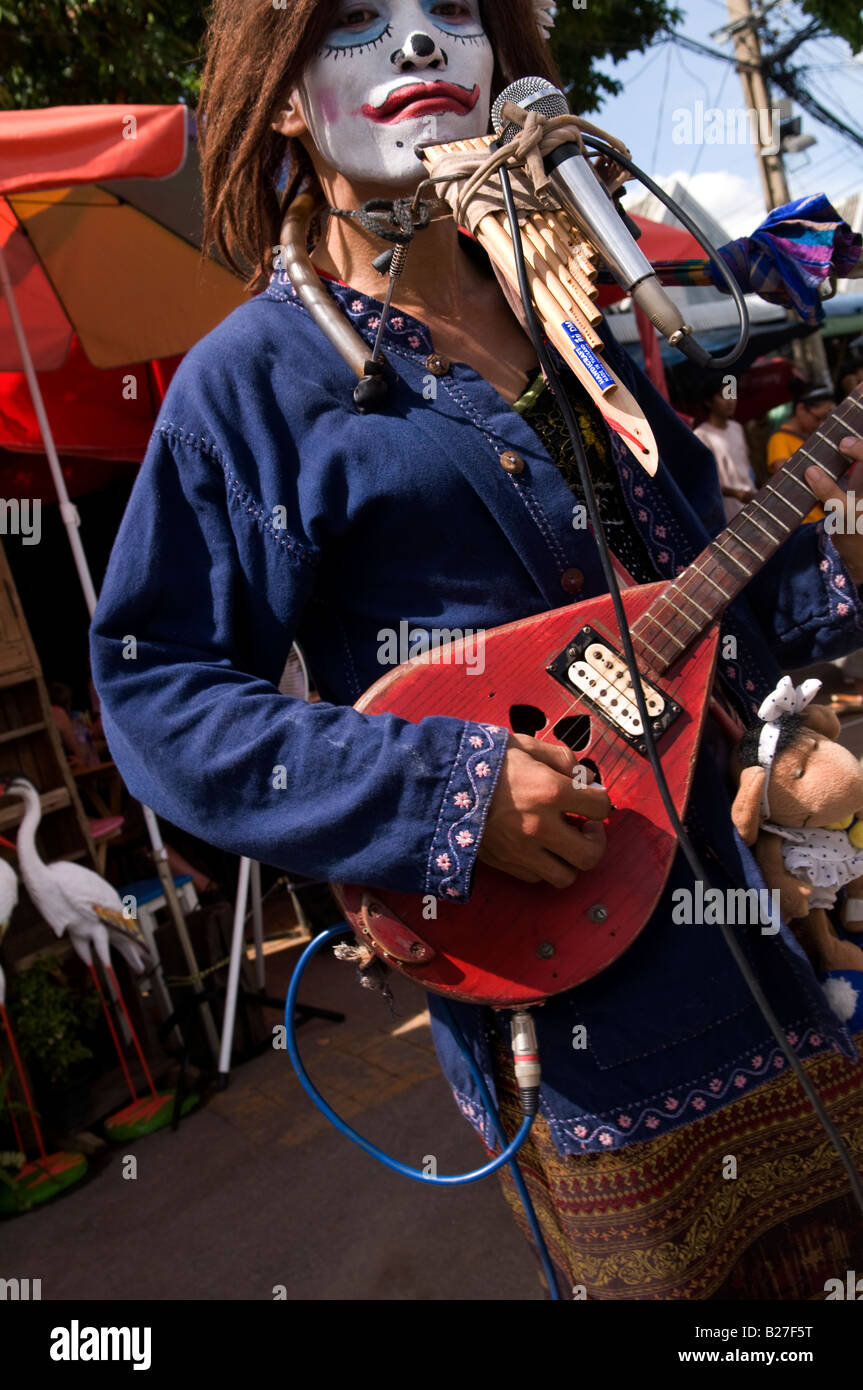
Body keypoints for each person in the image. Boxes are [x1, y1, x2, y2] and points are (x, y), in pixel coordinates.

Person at [89, 0, 863, 1300]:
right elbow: (160, 691)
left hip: (769, 923)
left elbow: (701, 556)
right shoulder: (253, 382)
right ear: (280, 97)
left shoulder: (575, 307)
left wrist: (820, 699)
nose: (414, 46)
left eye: (450, 10)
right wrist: (442, 795)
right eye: (355, 20)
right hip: (576, 1002)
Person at [767, 378, 836, 523]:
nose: (821, 424)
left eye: (826, 419)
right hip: (805, 522)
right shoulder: (779, 438)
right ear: (800, 409)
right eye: (819, 418)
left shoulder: (811, 437)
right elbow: (787, 478)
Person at [693, 379, 757, 520]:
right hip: (727, 513)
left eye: (732, 394)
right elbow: (706, 481)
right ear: (708, 402)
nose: (730, 401)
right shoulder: (701, 435)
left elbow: (746, 467)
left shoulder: (737, 428)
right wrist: (736, 493)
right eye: (723, 396)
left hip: (751, 502)